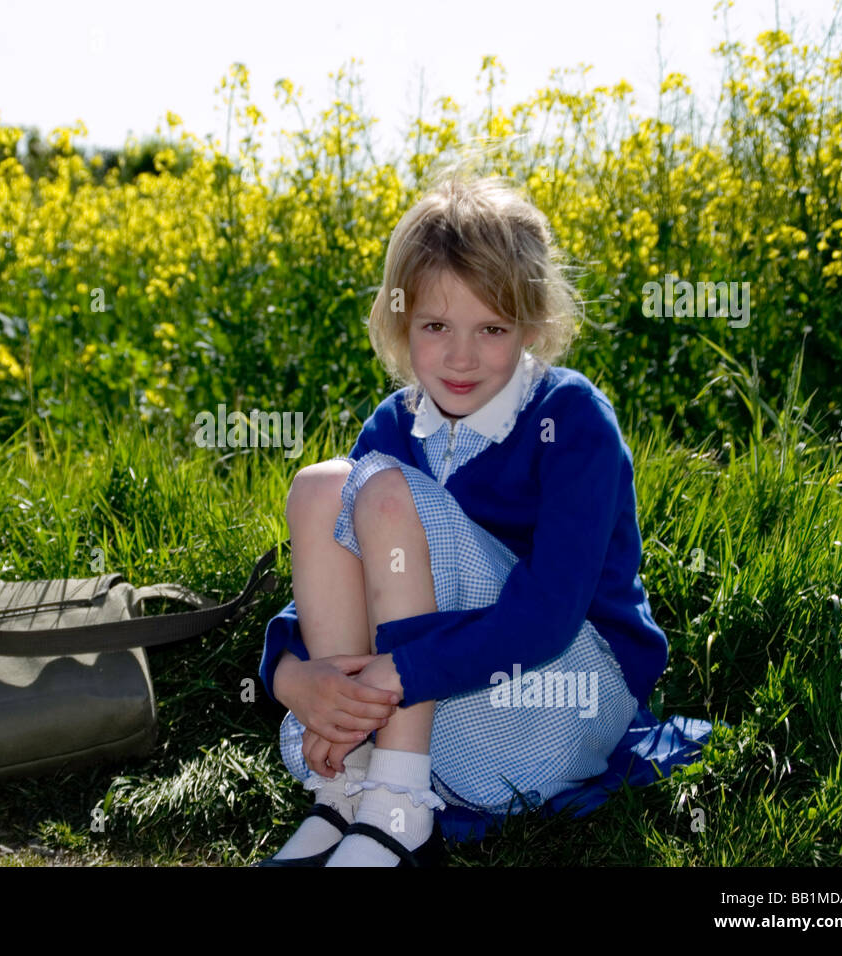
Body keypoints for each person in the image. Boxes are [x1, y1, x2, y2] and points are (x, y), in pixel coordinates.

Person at [255, 170, 670, 867]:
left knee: (380, 494)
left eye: (492, 328)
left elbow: (546, 617)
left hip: (557, 696)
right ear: (400, 321)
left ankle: (400, 810)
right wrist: (293, 677)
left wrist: (398, 674)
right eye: (436, 326)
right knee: (322, 488)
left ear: (533, 325)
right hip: (441, 703)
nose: (460, 357)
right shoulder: (394, 424)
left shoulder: (571, 420)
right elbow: (343, 578)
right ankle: (348, 792)